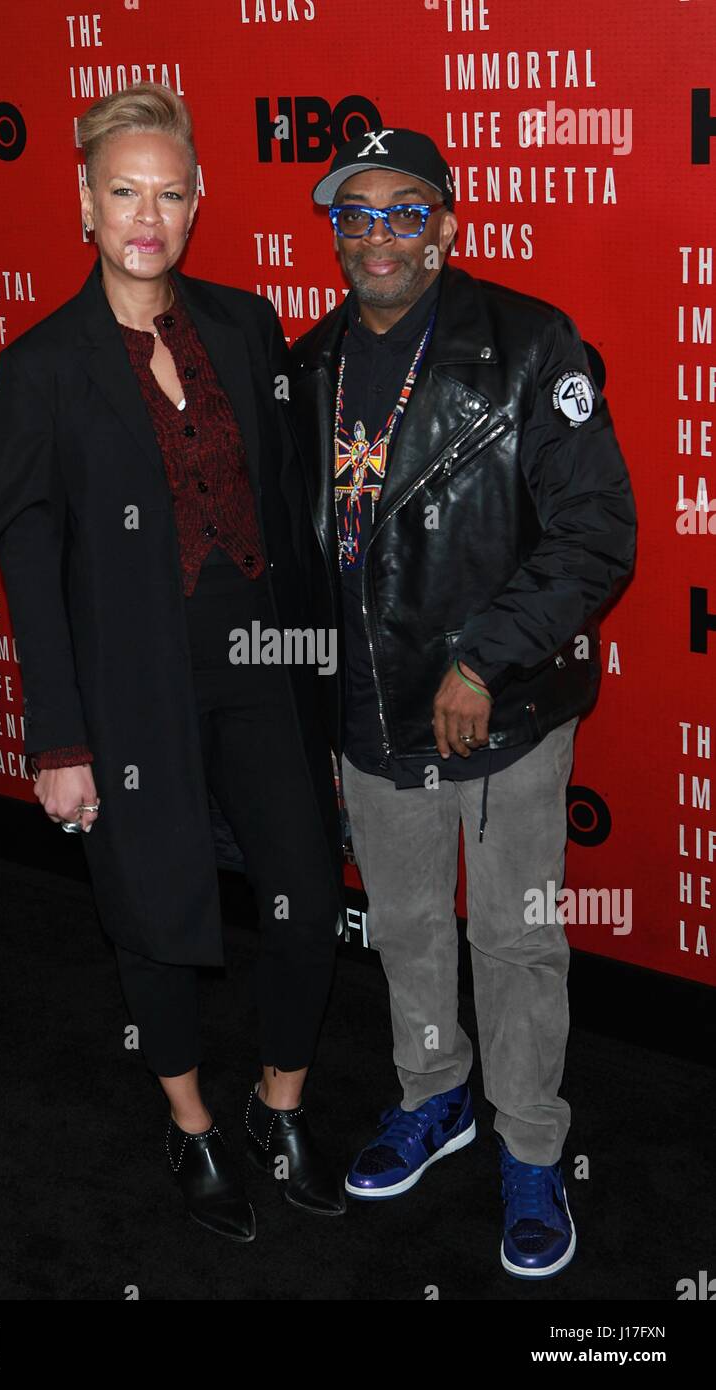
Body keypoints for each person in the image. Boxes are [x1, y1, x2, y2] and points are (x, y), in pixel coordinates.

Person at [0, 83, 347, 1243]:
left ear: (201, 201)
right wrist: (60, 738)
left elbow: (292, 519)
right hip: (130, 687)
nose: (149, 215)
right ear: (83, 201)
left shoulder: (247, 327)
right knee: (150, 915)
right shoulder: (39, 366)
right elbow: (30, 564)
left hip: (261, 667)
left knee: (303, 894)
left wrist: (320, 673)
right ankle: (188, 1122)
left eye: (170, 192)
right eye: (124, 191)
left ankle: (275, 1104)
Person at [288, 127, 636, 1278]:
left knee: (518, 937)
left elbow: (597, 534)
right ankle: (436, 1096)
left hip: (506, 712)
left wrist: (484, 660)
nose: (377, 233)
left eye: (403, 212)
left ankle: (532, 1145)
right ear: (337, 235)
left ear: (446, 229)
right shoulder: (310, 364)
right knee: (405, 927)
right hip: (370, 715)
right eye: (356, 214)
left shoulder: (533, 347)